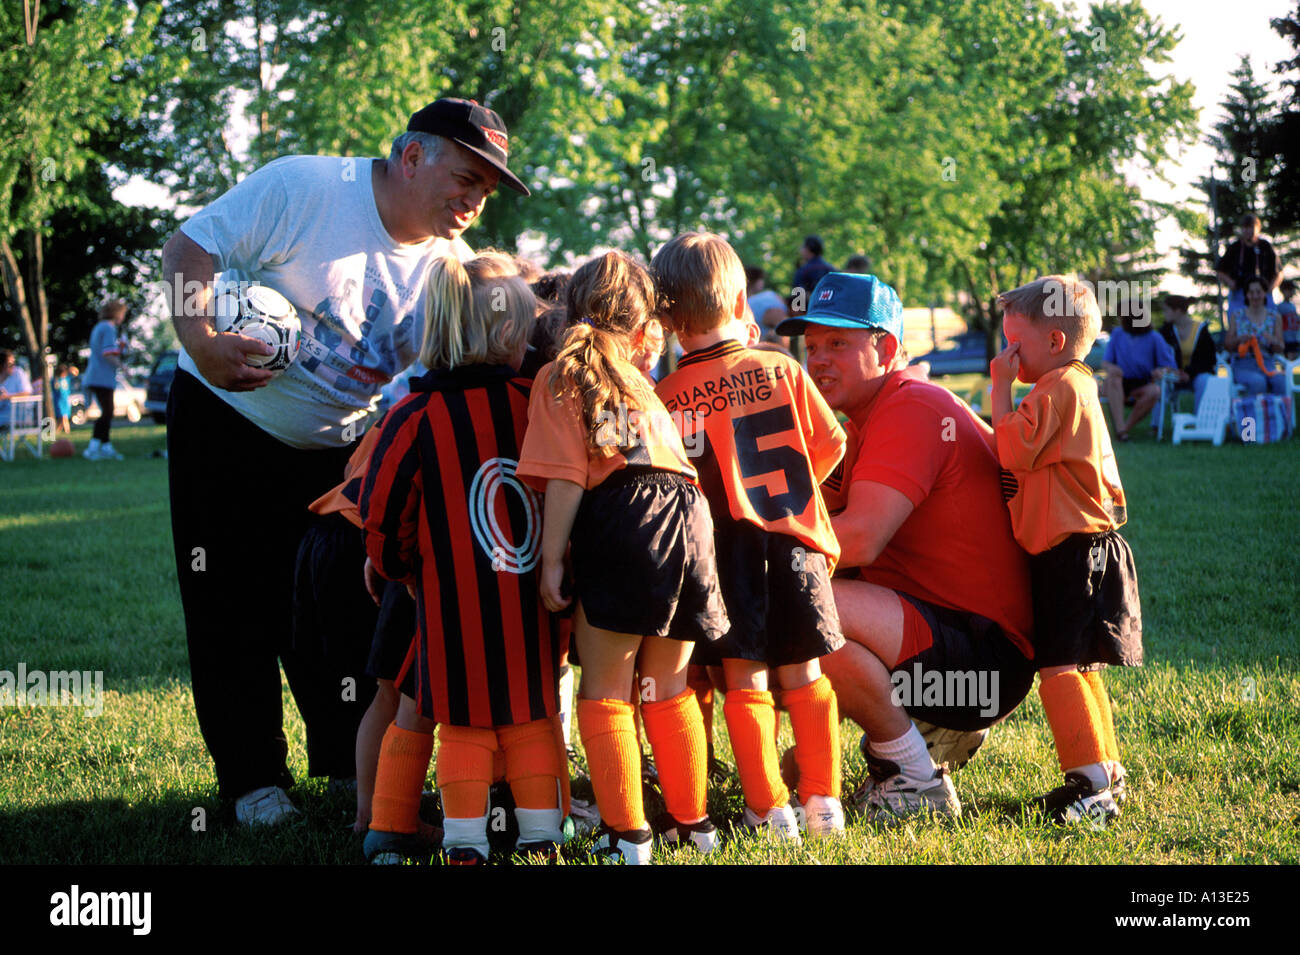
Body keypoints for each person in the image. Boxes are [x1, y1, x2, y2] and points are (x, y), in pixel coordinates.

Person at [159, 96, 529, 827]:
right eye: (465, 178)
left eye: (486, 191)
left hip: (341, 451)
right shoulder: (306, 188)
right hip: (226, 419)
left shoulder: (451, 268)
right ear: (413, 156)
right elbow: (185, 249)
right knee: (229, 597)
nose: (473, 201)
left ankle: (344, 765)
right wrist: (202, 337)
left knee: (344, 605)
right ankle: (253, 779)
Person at [776, 272, 1036, 823]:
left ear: (887, 348)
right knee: (795, 766)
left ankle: (913, 775)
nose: (818, 360)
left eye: (839, 344)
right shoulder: (865, 419)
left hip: (983, 659)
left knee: (795, 594)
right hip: (953, 638)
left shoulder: (909, 406)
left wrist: (745, 568)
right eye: (813, 346)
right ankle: (917, 735)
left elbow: (861, 540)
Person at [516, 251, 728, 864]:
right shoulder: (646, 386)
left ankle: (626, 836)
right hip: (690, 518)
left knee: (605, 690)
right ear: (643, 329)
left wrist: (551, 559)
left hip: (625, 514)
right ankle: (695, 825)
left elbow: (564, 477)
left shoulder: (564, 374)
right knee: (668, 684)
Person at [361, 252, 567, 865]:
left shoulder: (412, 416)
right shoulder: (539, 400)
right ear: (511, 333)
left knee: (449, 722)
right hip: (533, 606)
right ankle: (540, 835)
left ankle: (422, 835)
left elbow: (382, 512)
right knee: (532, 717)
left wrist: (400, 568)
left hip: (448, 611)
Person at [653, 232, 848, 840]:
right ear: (742, 301)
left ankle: (770, 809)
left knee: (745, 680)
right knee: (808, 676)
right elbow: (832, 443)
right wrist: (788, 493)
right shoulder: (781, 367)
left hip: (726, 554)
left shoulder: (666, 397)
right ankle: (824, 804)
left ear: (667, 320)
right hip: (796, 545)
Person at [991, 276, 1141, 826]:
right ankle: (1103, 772)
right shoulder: (1071, 385)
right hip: (1086, 549)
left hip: (1073, 553)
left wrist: (999, 388)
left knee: (1057, 668)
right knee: (1079, 666)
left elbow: (1011, 449)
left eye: (1016, 344)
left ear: (1054, 342)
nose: (1008, 355)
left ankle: (1092, 788)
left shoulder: (1056, 389)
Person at [1100, 309, 1177, 440]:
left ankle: (1123, 429)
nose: (1119, 320)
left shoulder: (1154, 337)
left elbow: (1170, 366)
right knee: (1113, 380)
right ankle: (1121, 430)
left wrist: (1160, 371)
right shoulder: (1118, 334)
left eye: (1121, 317)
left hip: (1141, 383)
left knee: (1154, 391)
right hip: (1118, 383)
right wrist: (1112, 368)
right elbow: (1105, 363)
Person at [1224, 277, 1287, 397]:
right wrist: (1239, 339)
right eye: (1251, 292)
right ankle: (1254, 415)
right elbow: (1227, 345)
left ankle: (1280, 414)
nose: (1255, 296)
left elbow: (1281, 347)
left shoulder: (1274, 316)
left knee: (1281, 381)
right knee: (1258, 382)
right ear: (1246, 295)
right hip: (1243, 365)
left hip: (1267, 363)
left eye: (1258, 291)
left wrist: (1273, 341)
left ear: (1264, 293)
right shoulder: (1236, 315)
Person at [83, 300, 127, 460]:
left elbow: (107, 350)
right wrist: (123, 367)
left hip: (95, 375)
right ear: (117, 314)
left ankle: (106, 446)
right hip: (102, 377)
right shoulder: (109, 328)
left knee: (107, 411)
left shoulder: (99, 327)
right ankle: (93, 448)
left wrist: (120, 348)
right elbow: (108, 353)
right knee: (107, 412)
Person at [1157, 294, 1217, 411]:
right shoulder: (1165, 331)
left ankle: (1200, 420)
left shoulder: (1201, 330)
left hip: (1196, 374)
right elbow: (1160, 355)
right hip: (1173, 374)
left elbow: (1209, 359)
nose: (1164, 313)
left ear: (1177, 311)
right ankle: (1156, 426)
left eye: (1166, 310)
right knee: (1159, 383)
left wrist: (1189, 374)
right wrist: (1174, 371)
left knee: (1205, 380)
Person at [1216, 213, 1282, 313]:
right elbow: (1220, 271)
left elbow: (1279, 273)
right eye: (1245, 227)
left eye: (1251, 227)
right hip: (1240, 293)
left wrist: (1269, 289)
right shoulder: (1235, 247)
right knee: (1235, 318)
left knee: (1272, 317)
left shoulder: (1265, 247)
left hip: (1262, 292)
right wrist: (1230, 282)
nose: (1247, 231)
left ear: (1258, 228)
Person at [744, 265, 788, 345]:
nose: (762, 283)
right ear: (757, 281)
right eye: (761, 279)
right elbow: (783, 336)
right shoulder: (772, 300)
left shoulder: (749, 300)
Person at [790, 235, 832, 315]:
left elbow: (798, 300)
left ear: (808, 249)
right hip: (829, 315)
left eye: (802, 247)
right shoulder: (831, 270)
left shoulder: (803, 271)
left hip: (809, 315)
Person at [0, 349, 35, 429]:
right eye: (9, 364)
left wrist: (6, 397)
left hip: (20, 414)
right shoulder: (2, 376)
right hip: (4, 413)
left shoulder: (18, 373)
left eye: (13, 364)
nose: (13, 366)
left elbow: (27, 392)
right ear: (1, 365)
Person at [1278, 279, 1298, 359]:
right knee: (1288, 359)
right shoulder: (1280, 307)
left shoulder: (1292, 306)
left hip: (1294, 336)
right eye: (1289, 290)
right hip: (1286, 338)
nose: (1292, 292)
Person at [53, 364, 73, 434]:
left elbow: (75, 372)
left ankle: (59, 431)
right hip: (59, 400)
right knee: (63, 416)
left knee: (64, 416)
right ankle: (67, 430)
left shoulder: (67, 379)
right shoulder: (56, 380)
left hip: (65, 400)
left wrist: (70, 369)